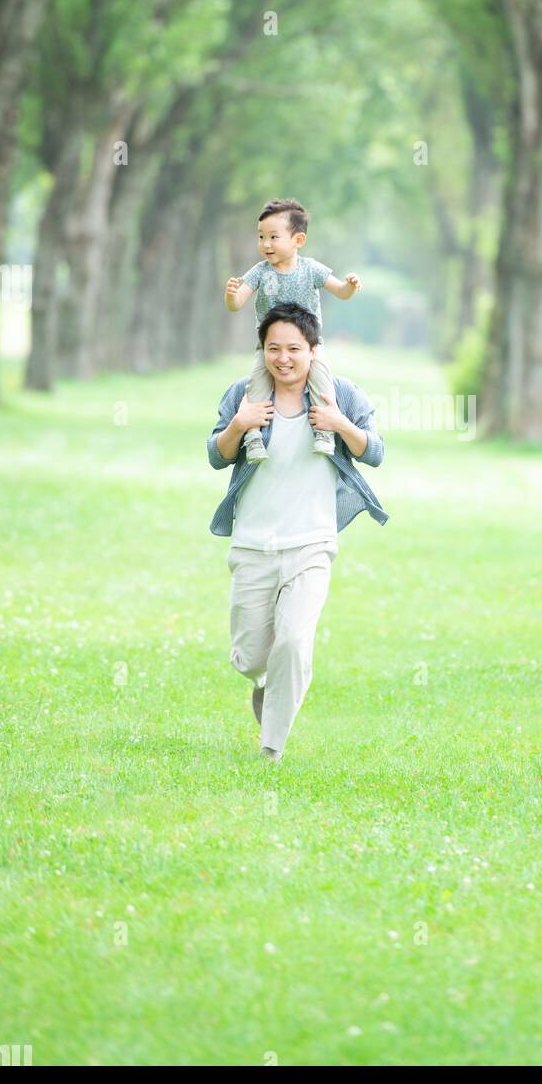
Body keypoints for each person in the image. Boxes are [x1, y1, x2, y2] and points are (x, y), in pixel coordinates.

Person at [206, 302, 388, 763]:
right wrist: (239, 425)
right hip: (252, 544)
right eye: (273, 348)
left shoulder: (338, 395)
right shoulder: (244, 395)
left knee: (293, 641)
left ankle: (271, 747)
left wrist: (339, 425)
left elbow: (375, 452)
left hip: (311, 543)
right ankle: (265, 684)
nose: (283, 358)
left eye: (293, 349)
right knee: (250, 656)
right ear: (261, 350)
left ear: (313, 351)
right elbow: (216, 454)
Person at [223, 196, 362, 461]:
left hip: (310, 345)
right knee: (257, 385)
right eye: (261, 237)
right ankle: (253, 438)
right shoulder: (260, 272)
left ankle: (324, 434)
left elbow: (340, 292)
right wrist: (231, 295)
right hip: (270, 347)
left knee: (322, 381)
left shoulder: (311, 269)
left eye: (273, 237)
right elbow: (237, 303)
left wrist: (350, 286)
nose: (265, 244)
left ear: (298, 240)